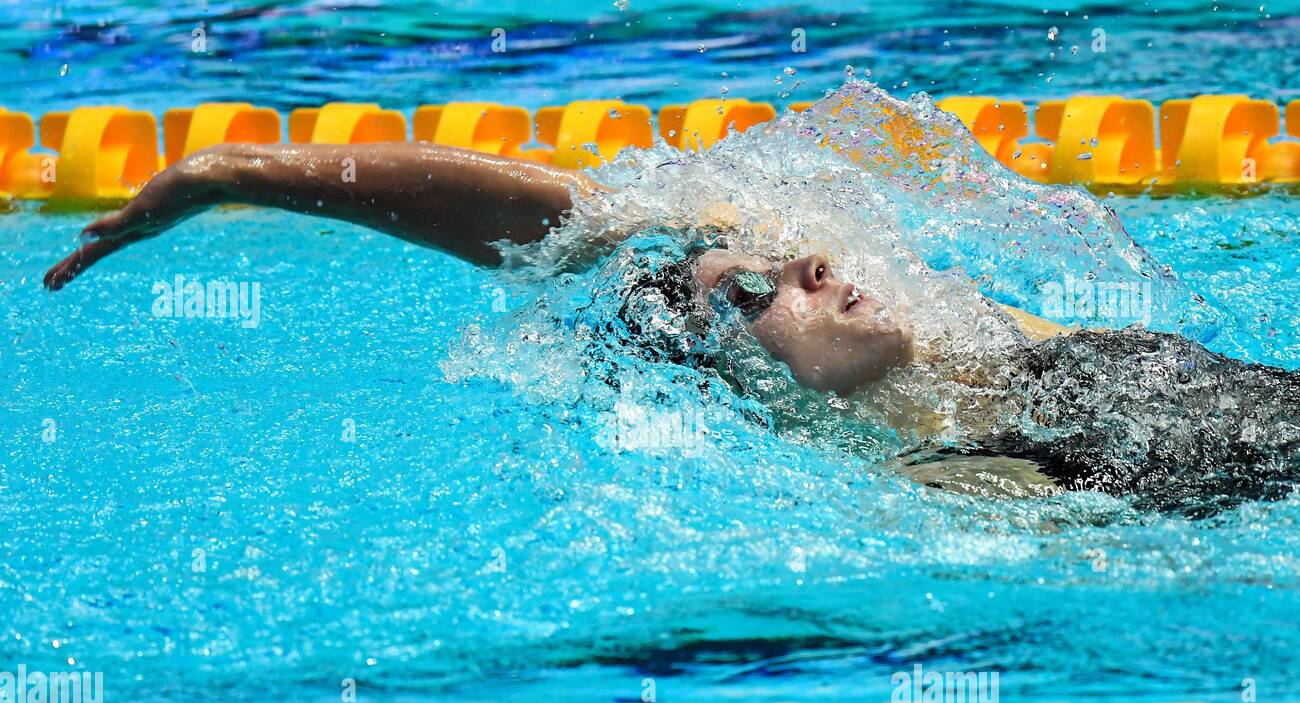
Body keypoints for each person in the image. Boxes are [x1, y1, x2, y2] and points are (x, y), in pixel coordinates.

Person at [43, 142, 1300, 513]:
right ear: (749, 394)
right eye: (754, 300)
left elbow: (572, 215)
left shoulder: (989, 334)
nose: (803, 265)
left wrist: (242, 170)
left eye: (782, 262)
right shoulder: (956, 488)